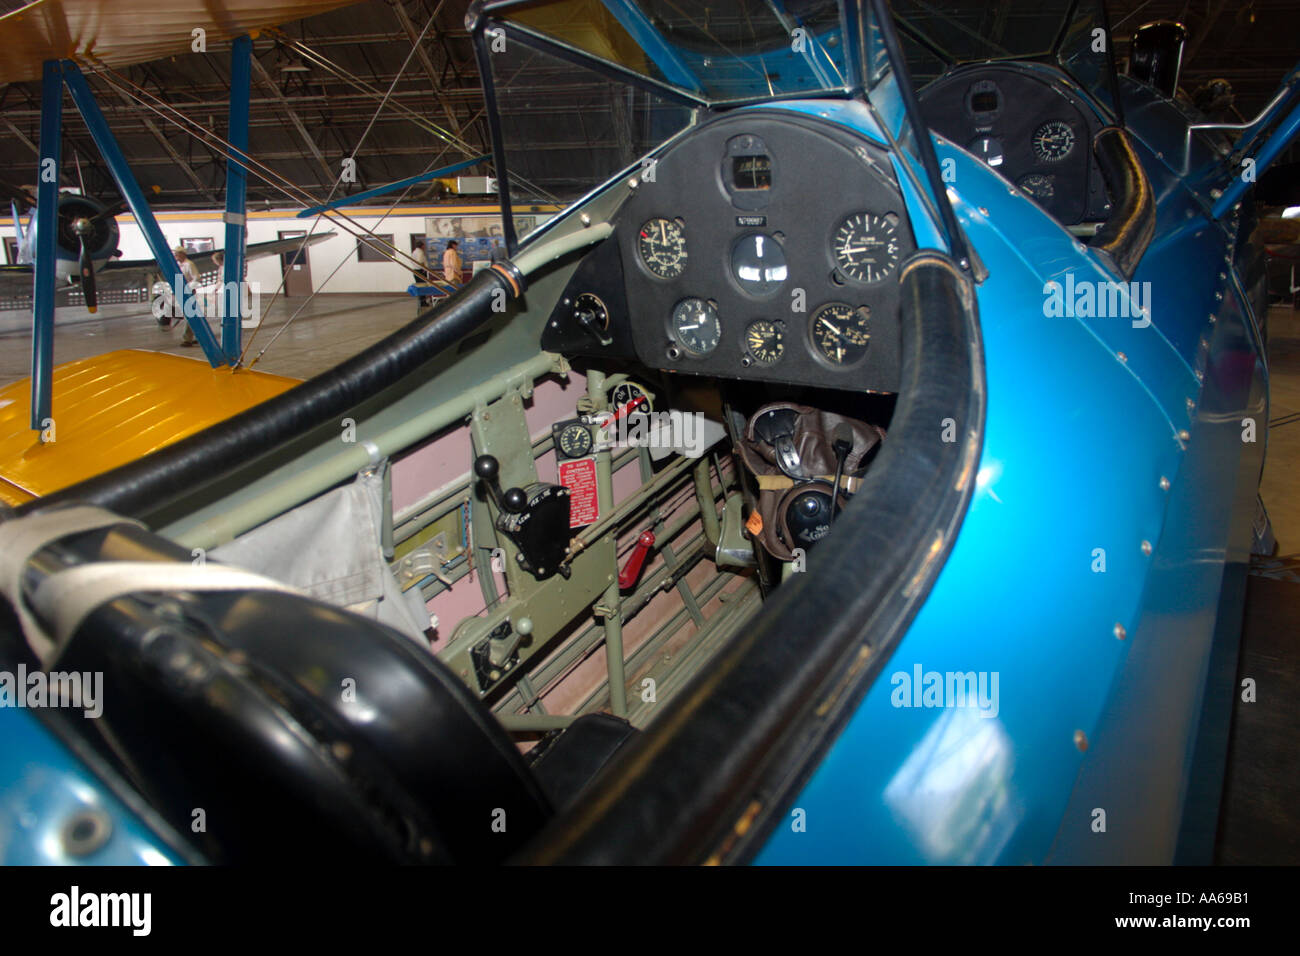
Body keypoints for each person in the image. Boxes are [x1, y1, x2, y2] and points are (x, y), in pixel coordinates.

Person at [174, 246, 203, 347]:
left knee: (189, 315)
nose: (175, 255)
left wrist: (189, 288)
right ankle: (199, 336)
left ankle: (187, 339)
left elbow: (197, 278)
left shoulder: (189, 264)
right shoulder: (177, 265)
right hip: (180, 292)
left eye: (177, 254)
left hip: (189, 292)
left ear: (183, 254)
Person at [412, 239, 431, 307]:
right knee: (423, 287)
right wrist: (424, 268)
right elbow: (420, 261)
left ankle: (421, 301)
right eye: (424, 245)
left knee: (420, 287)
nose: (424, 247)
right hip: (420, 271)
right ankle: (423, 302)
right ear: (422, 246)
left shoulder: (414, 251)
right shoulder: (420, 252)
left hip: (416, 270)